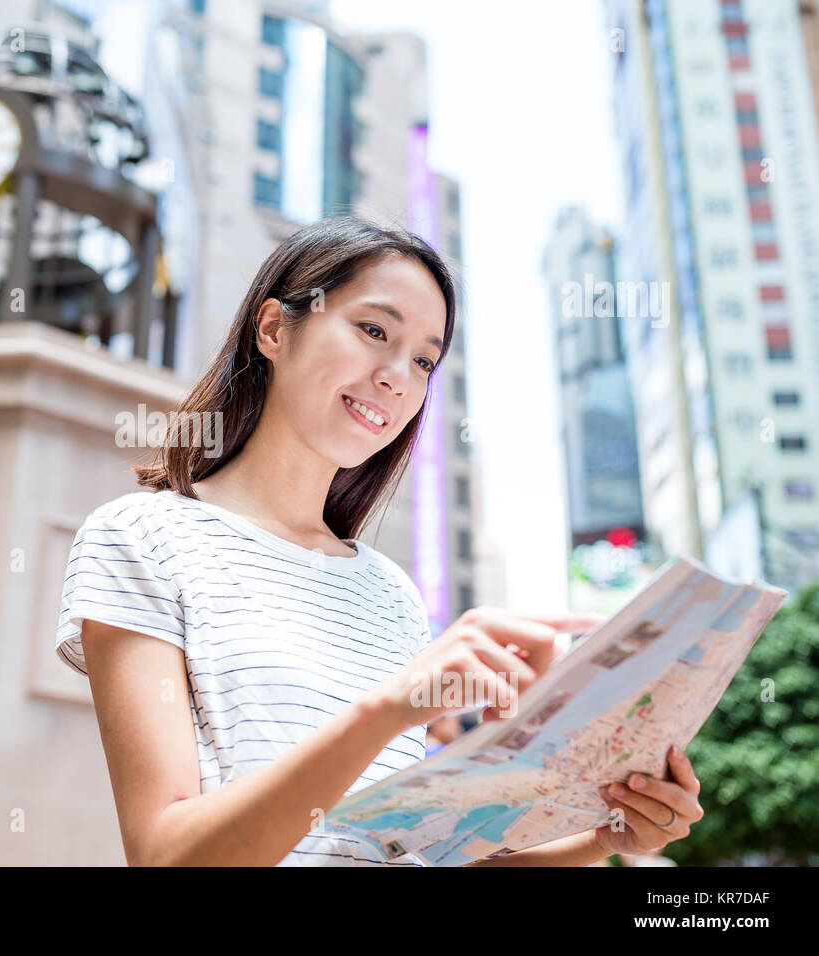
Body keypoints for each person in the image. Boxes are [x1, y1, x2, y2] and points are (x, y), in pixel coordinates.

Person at [54, 215, 706, 866]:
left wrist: (603, 839)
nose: (399, 376)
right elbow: (166, 855)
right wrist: (390, 709)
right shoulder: (140, 537)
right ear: (275, 328)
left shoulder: (390, 593)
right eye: (374, 330)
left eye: (424, 359)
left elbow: (407, 856)